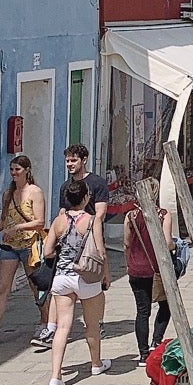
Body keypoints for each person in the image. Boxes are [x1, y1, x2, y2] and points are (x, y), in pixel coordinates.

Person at [0, 153, 48, 350]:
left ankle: (45, 324)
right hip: (9, 247)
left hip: (30, 245)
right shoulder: (8, 194)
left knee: (36, 287)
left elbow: (40, 222)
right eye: (12, 170)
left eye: (18, 170)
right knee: (2, 289)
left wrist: (16, 228)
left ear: (27, 171)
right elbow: (4, 219)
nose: (14, 173)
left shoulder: (35, 192)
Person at [44, 180, 111, 385]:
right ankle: (96, 364)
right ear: (86, 198)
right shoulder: (92, 221)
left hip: (62, 277)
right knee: (92, 325)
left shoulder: (58, 221)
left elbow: (47, 252)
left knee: (62, 327)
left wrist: (61, 254)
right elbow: (100, 252)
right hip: (86, 278)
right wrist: (106, 275)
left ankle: (56, 375)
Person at [48, 144, 110, 350]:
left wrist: (88, 229)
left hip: (90, 237)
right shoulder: (65, 187)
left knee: (92, 286)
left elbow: (100, 213)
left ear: (84, 160)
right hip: (70, 240)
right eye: (67, 161)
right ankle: (51, 327)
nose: (69, 164)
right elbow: (61, 212)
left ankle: (95, 324)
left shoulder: (97, 183)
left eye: (73, 160)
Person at [124, 201, 172, 364]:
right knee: (166, 305)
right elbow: (167, 242)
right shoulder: (163, 215)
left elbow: (126, 244)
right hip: (156, 269)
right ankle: (156, 341)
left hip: (136, 269)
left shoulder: (130, 216)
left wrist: (128, 263)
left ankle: (143, 354)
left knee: (142, 311)